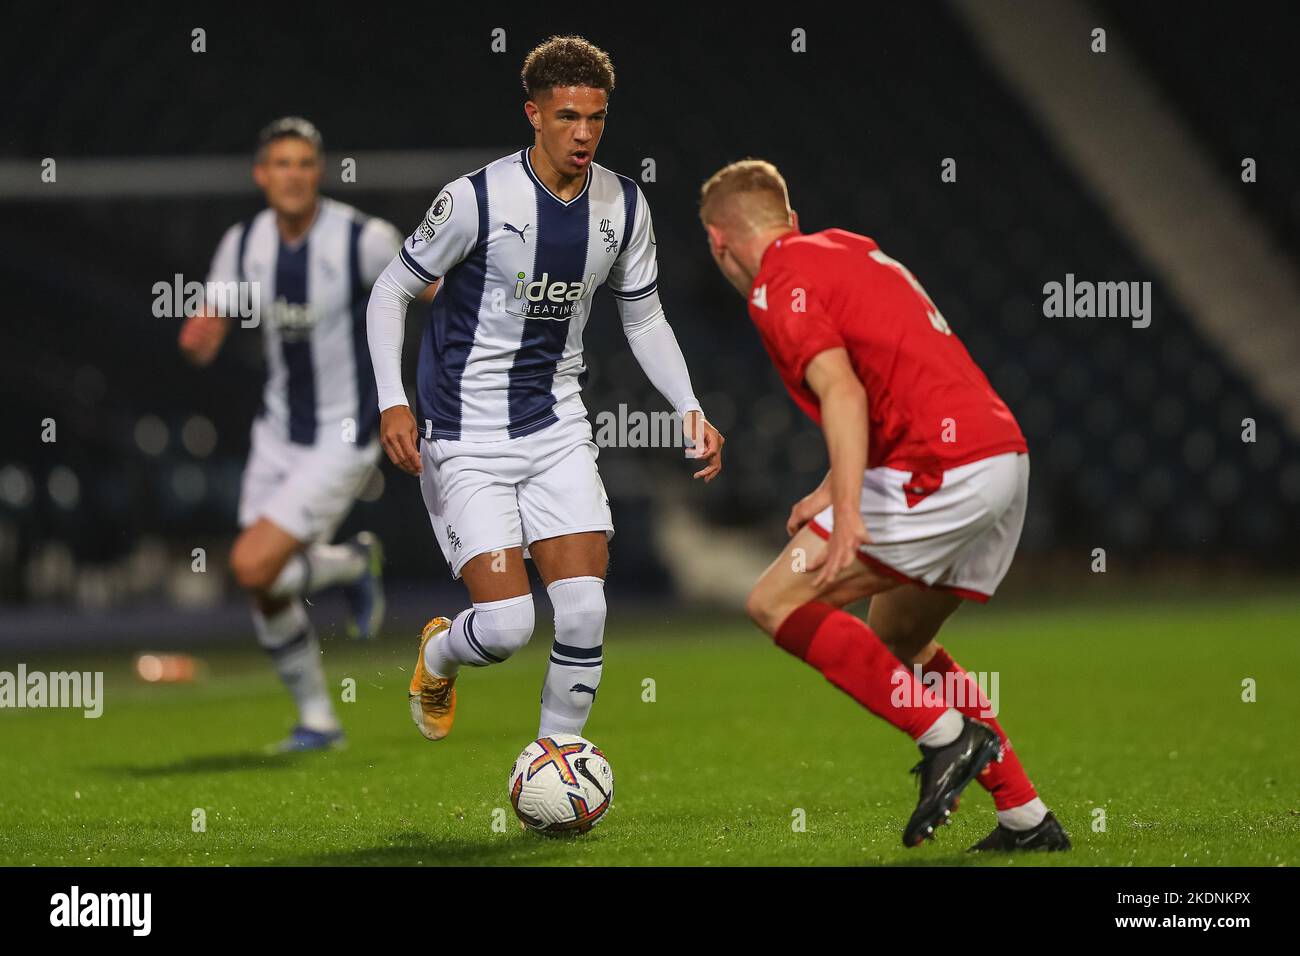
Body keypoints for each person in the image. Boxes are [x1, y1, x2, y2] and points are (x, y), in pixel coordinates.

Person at [699, 158, 1069, 850]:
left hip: (938, 467)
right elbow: (893, 368)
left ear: (720, 244)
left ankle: (948, 737)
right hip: (1000, 455)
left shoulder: (778, 285)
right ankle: (1025, 816)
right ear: (790, 220)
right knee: (898, 638)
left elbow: (844, 391)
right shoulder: (848, 247)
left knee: (775, 602)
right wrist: (834, 488)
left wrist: (849, 502)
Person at [365, 37, 723, 745]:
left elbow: (643, 313)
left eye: (596, 117)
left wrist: (689, 405)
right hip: (464, 434)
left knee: (585, 611)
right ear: (533, 113)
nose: (584, 133)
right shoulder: (473, 200)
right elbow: (391, 290)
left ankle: (556, 761)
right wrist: (391, 400)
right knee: (504, 629)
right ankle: (439, 652)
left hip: (556, 425)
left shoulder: (623, 206)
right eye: (566, 117)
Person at [179, 118, 395, 752]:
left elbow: (432, 287)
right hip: (277, 432)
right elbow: (209, 324)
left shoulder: (363, 238)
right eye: (281, 164)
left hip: (345, 432)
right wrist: (199, 336)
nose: (293, 175)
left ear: (318, 171)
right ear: (261, 174)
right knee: (265, 586)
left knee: (252, 563)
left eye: (304, 163)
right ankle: (319, 722)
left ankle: (354, 563)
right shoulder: (244, 242)